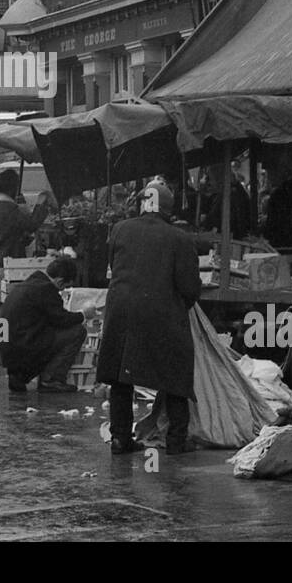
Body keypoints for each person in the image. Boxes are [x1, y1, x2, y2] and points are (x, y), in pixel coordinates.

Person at [97, 181, 203, 456]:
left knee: (122, 376)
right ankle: (176, 441)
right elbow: (190, 288)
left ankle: (120, 438)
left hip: (121, 312)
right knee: (176, 373)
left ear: (142, 203)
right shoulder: (180, 238)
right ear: (169, 209)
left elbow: (112, 266)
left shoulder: (119, 229)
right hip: (162, 313)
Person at [0, 167, 53, 355]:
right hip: (3, 263)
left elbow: (7, 233)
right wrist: (41, 204)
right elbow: (31, 223)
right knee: (3, 307)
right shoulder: (8, 208)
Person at [0, 254, 89, 393]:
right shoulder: (46, 290)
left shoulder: (29, 284)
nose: (62, 291)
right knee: (77, 332)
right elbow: (62, 320)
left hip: (9, 351)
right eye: (65, 287)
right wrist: (83, 315)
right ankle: (51, 379)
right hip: (23, 349)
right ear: (59, 281)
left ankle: (20, 375)